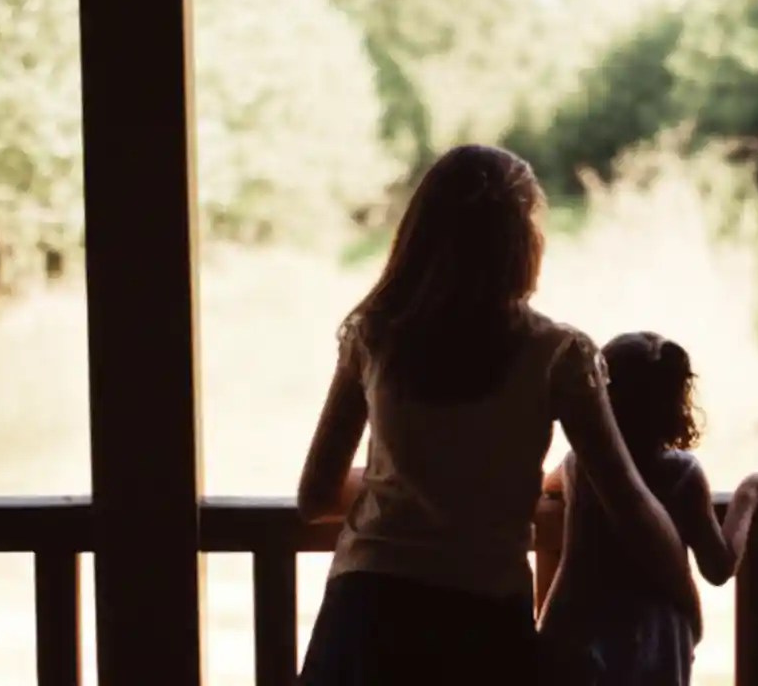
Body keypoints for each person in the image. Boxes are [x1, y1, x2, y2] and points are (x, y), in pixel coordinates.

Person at [295, 145, 698, 685]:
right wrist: (687, 592)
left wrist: (407, 485)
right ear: (522, 242)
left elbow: (316, 495)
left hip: (366, 614)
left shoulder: (375, 336)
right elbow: (628, 503)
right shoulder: (558, 354)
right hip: (480, 622)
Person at [537, 332, 758, 686]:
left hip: (577, 629)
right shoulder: (682, 474)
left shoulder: (579, 465)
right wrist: (749, 493)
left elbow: (550, 486)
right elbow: (719, 566)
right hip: (653, 641)